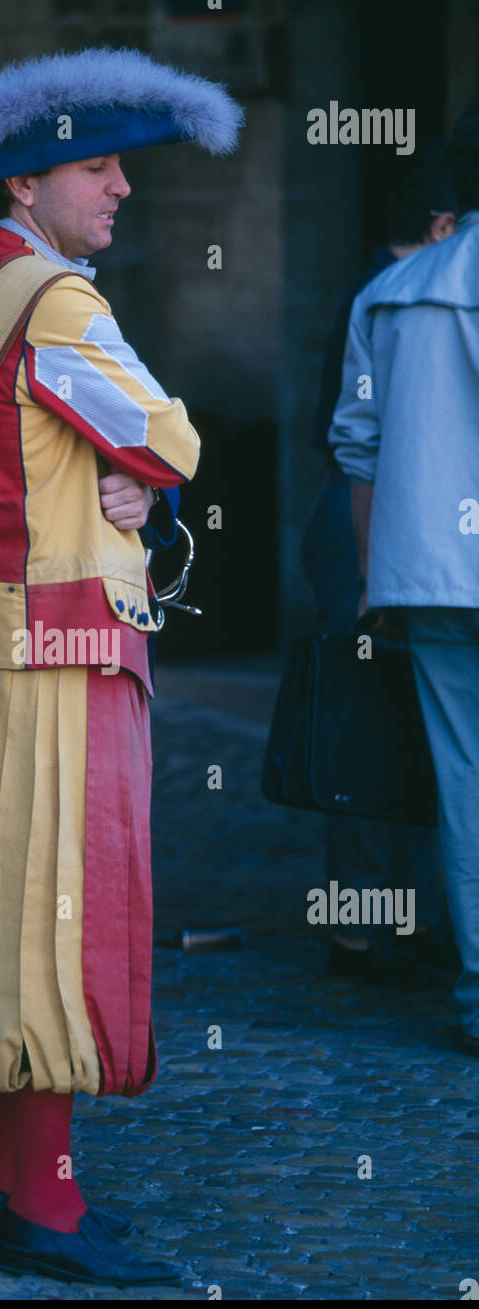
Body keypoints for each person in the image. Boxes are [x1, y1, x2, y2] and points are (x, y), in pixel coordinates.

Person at [0, 29, 243, 1285]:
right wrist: (150, 476)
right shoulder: (57, 299)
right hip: (60, 659)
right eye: (101, 169)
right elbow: (172, 433)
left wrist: (128, 481)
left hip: (9, 649)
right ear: (24, 183)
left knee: (19, 921)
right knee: (56, 929)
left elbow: (103, 453)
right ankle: (41, 1209)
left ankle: (23, 1189)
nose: (123, 188)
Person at [329, 98, 479, 1057]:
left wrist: (370, 581)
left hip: (428, 573)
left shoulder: (387, 295)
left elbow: (359, 450)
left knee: (465, 788)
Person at [301, 143, 458, 989]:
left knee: (392, 723)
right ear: (441, 225)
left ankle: (407, 921)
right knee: (366, 722)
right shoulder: (392, 297)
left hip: (368, 518)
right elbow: (354, 441)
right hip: (360, 522)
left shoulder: (383, 291)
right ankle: (362, 930)